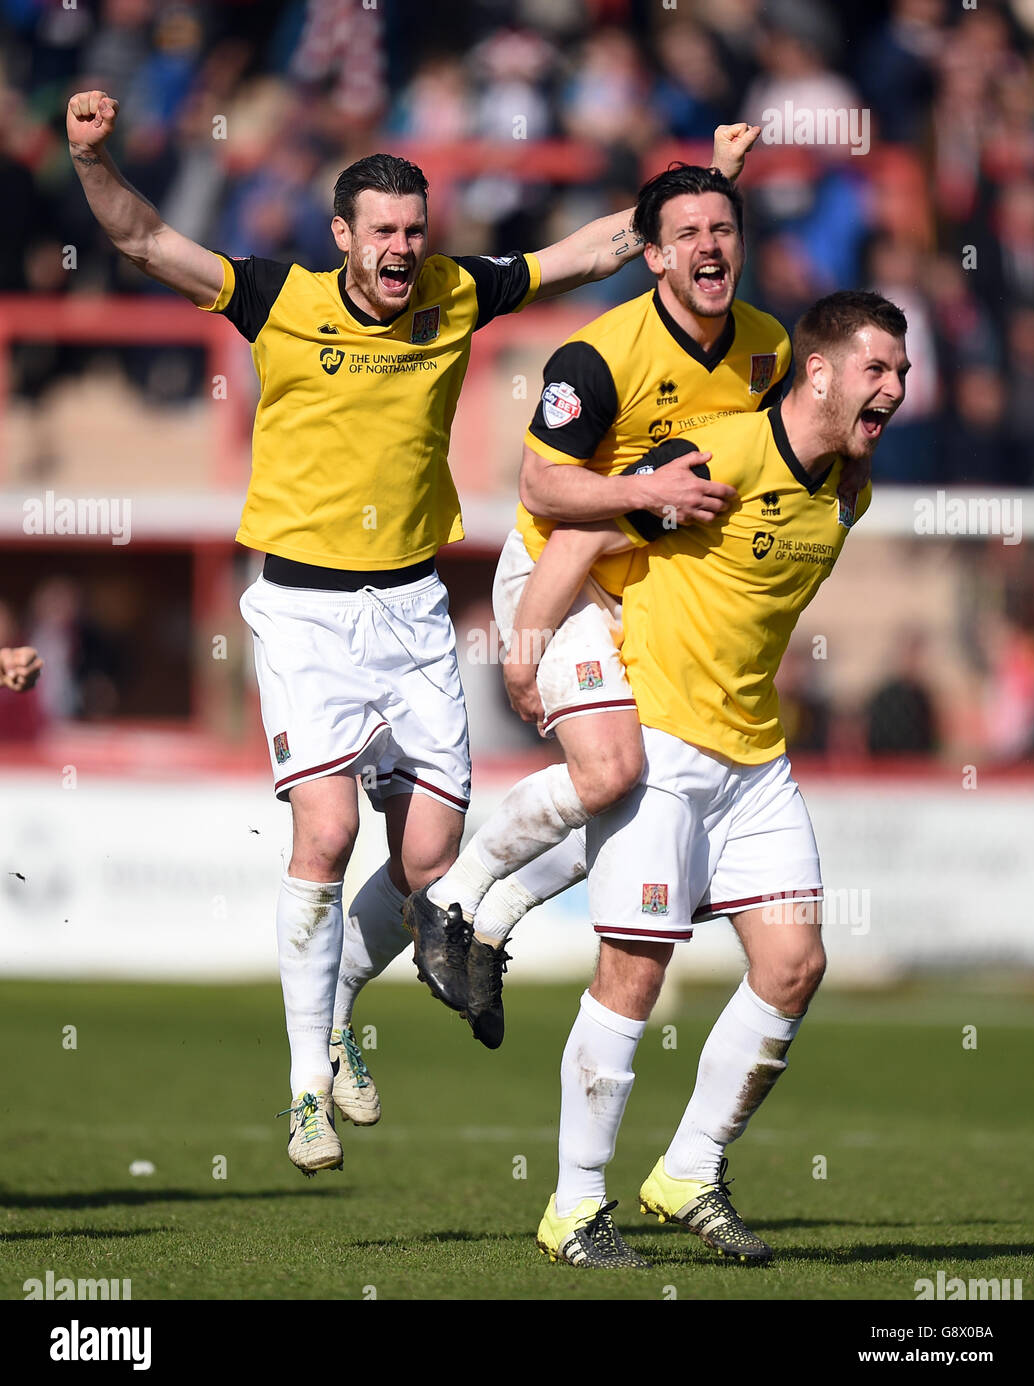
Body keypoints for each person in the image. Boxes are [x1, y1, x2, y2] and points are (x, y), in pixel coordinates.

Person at [65, 87, 759, 1174]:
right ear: (341, 236)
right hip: (300, 607)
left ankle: (335, 1000)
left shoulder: (453, 292)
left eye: (412, 230)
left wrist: (705, 190)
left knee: (428, 860)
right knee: (327, 835)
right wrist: (93, 159)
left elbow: (582, 256)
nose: (401, 248)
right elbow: (145, 237)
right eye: (381, 231)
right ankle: (304, 1089)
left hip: (412, 606)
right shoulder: (274, 299)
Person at [502, 291, 909, 1266]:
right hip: (665, 741)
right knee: (636, 971)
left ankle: (686, 1169)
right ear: (816, 373)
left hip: (752, 755)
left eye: (898, 372)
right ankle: (572, 1206)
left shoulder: (850, 484)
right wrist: (522, 656)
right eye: (876, 370)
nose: (893, 391)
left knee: (792, 966)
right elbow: (581, 535)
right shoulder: (714, 454)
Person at [405, 161, 789, 1049]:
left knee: (658, 796)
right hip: (562, 576)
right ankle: (453, 899)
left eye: (722, 230)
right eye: (686, 234)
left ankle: (487, 921)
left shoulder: (766, 346)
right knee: (613, 772)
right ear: (651, 256)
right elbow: (542, 488)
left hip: (656, 593)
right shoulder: (599, 352)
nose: (708, 247)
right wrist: (528, 637)